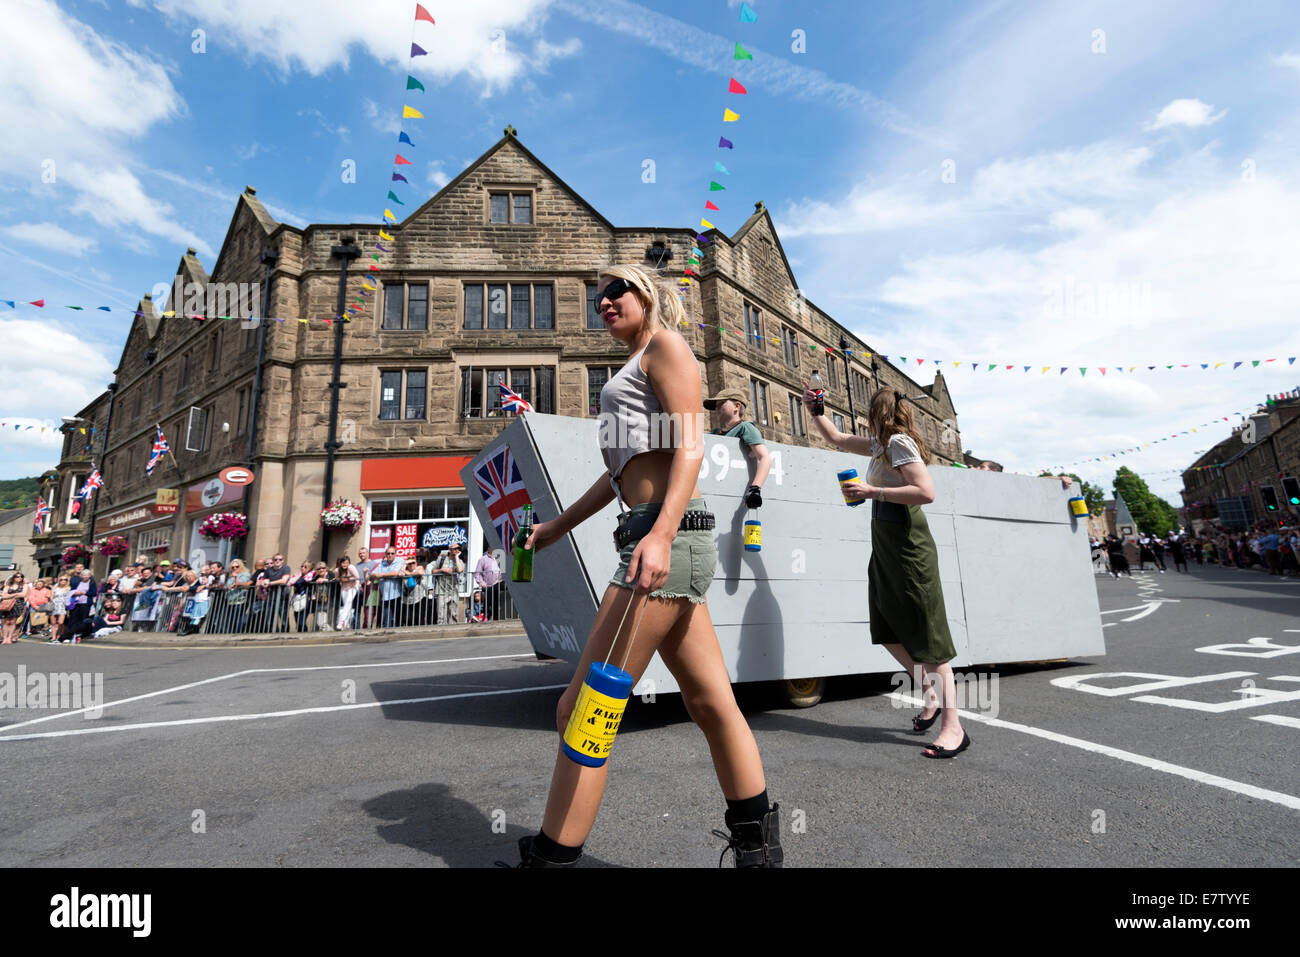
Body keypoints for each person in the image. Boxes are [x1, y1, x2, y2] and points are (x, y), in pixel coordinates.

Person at [512, 264, 780, 868]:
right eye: (596, 296)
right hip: (662, 538)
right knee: (712, 703)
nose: (603, 302)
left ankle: (552, 859)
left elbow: (692, 449)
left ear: (648, 295)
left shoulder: (667, 346)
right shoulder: (627, 371)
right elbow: (619, 478)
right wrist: (557, 526)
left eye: (616, 290)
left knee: (582, 710)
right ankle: (760, 854)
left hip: (666, 541)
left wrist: (658, 536)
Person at [805, 383, 969, 759]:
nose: (863, 419)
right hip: (885, 546)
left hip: (910, 547)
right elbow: (838, 438)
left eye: (867, 412)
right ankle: (929, 693)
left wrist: (871, 492)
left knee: (930, 640)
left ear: (878, 413)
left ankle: (954, 727)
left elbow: (926, 492)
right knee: (886, 626)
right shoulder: (881, 445)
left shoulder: (897, 444)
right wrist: (815, 410)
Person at [704, 388, 770, 511]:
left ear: (737, 406)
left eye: (720, 404)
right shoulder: (714, 434)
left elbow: (764, 457)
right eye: (715, 406)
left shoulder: (745, 428)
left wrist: (755, 489)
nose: (716, 409)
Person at [372, 547, 406, 628]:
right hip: (385, 596)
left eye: (392, 553)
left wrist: (382, 575)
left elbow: (396, 573)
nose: (390, 555)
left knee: (398, 619)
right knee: (386, 620)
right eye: (388, 553)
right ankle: (386, 636)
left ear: (395, 554)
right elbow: (372, 574)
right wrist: (376, 575)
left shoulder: (399, 561)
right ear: (385, 554)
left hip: (397, 595)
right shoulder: (382, 564)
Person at [431, 544, 464, 626]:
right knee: (441, 614)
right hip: (441, 590)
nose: (456, 550)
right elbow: (433, 571)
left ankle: (452, 631)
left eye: (458, 549)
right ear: (450, 550)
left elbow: (460, 570)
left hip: (453, 590)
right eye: (454, 549)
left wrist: (456, 557)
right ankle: (440, 632)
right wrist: (442, 570)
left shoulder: (459, 561)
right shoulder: (441, 559)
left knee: (453, 614)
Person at [0, 572, 28, 645]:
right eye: (17, 576)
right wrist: (16, 594)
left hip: (18, 605)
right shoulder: (8, 585)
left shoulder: (24, 585)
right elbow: (3, 596)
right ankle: (5, 638)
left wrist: (11, 595)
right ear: (13, 578)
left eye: (21, 576)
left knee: (13, 621)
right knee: (6, 621)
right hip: (7, 604)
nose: (19, 578)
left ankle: (9, 638)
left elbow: (23, 594)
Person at [335, 555, 361, 630]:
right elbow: (337, 578)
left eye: (347, 563)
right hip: (344, 588)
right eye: (343, 563)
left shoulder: (351, 567)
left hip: (354, 587)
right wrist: (341, 579)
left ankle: (341, 621)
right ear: (340, 563)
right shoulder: (337, 570)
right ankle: (346, 624)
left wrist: (347, 579)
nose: (345, 565)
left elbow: (357, 577)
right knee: (347, 606)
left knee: (348, 602)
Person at [49, 574, 71, 643]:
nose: (63, 581)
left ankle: (58, 636)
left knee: (60, 622)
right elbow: (51, 595)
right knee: (53, 623)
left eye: (65, 579)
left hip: (62, 606)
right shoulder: (55, 587)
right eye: (61, 579)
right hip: (54, 605)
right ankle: (53, 637)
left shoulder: (68, 588)